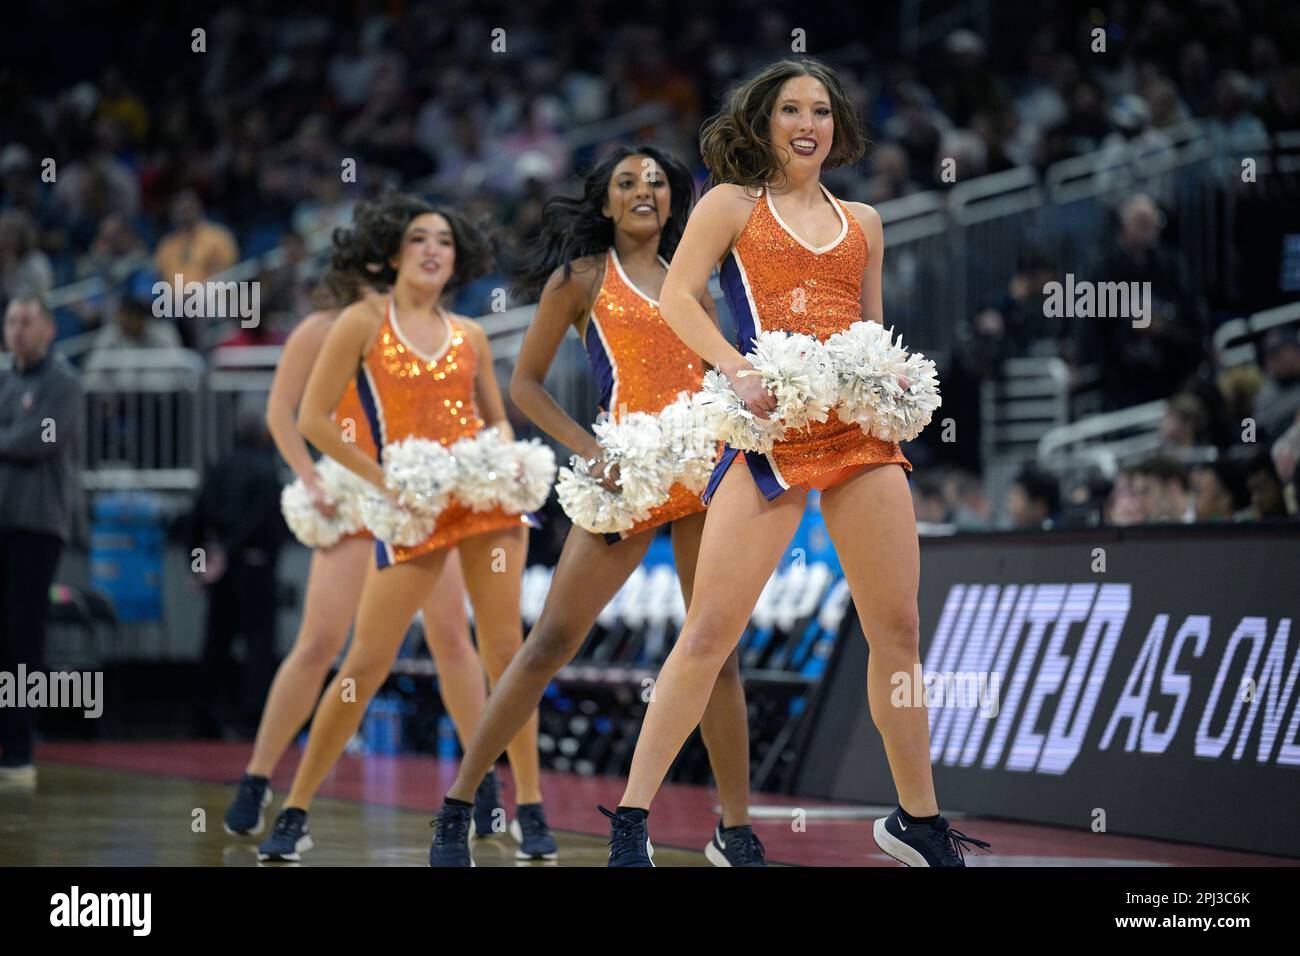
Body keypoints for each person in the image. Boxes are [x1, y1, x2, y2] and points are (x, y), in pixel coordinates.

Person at [601, 58, 989, 866]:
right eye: (789, 110)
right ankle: (632, 822)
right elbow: (678, 297)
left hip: (858, 437)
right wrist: (733, 370)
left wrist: (895, 381)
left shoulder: (867, 222)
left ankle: (918, 821)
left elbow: (874, 330)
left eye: (819, 110)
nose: (806, 123)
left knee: (901, 631)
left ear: (837, 127)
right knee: (710, 632)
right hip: (769, 437)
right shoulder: (730, 204)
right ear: (763, 124)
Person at [428, 145, 763, 867]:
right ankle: (459, 803)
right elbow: (525, 385)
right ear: (605, 202)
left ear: (676, 201)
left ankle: (734, 829)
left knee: (718, 654)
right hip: (626, 476)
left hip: (702, 477)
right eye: (626, 182)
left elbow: (723, 376)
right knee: (548, 645)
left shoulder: (695, 283)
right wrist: (590, 449)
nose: (643, 191)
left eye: (657, 182)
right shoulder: (580, 278)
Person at [257, 193, 538, 861]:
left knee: (501, 649)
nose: (433, 249)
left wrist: (503, 456)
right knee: (360, 658)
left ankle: (524, 806)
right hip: (409, 506)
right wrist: (388, 482)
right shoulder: (359, 321)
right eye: (418, 239)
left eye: (444, 239)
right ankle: (289, 807)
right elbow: (308, 418)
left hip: (481, 502)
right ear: (391, 254)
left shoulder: (470, 332)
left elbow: (495, 416)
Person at [221, 271, 488, 838]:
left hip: (416, 502)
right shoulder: (324, 329)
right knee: (319, 643)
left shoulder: (429, 330)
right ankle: (257, 777)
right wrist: (310, 480)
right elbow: (282, 412)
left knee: (451, 640)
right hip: (353, 498)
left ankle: (479, 779)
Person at [0, 296, 83, 784]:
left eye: (27, 322)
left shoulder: (64, 383)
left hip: (38, 524)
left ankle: (20, 748)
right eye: (11, 322)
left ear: (49, 330)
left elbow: (44, 439)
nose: (17, 330)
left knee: (24, 636)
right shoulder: (5, 378)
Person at [188, 409, 288, 739]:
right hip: (254, 567)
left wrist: (203, 564)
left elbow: (197, 519)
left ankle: (203, 714)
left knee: (216, 640)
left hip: (220, 569)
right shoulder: (266, 471)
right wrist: (229, 552)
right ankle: (253, 716)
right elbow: (262, 521)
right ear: (264, 436)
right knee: (259, 642)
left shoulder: (218, 468)